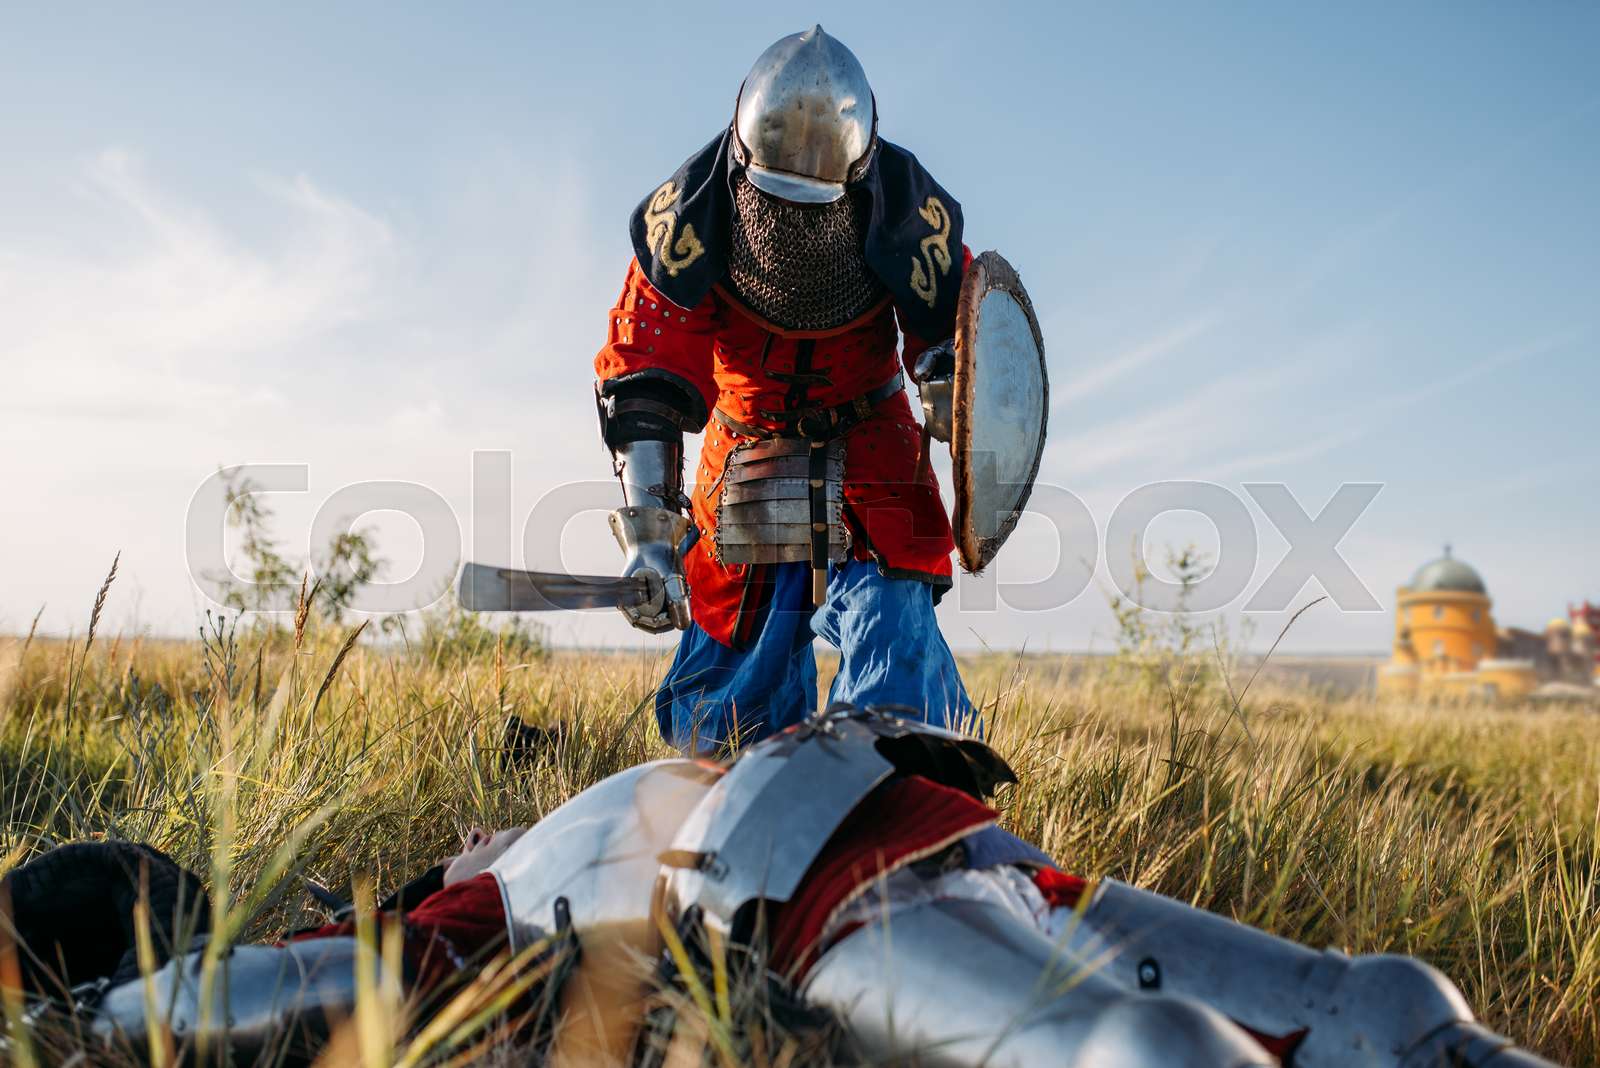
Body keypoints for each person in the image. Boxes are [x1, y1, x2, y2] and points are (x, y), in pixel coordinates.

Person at [7, 705, 1557, 1068]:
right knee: (1367, 1011)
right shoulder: (469, 887)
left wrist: (87, 1015)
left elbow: (239, 997)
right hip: (885, 822)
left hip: (813, 870)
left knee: (1144, 1057)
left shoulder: (411, 925)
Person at [592, 26, 978, 752]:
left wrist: (951, 385)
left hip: (872, 444)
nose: (795, 222)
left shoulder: (910, 216)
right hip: (747, 449)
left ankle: (895, 801)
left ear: (858, 174)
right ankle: (739, 816)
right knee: (727, 703)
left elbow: (953, 354)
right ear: (743, 160)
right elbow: (644, 377)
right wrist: (649, 540)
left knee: (896, 656)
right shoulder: (686, 224)